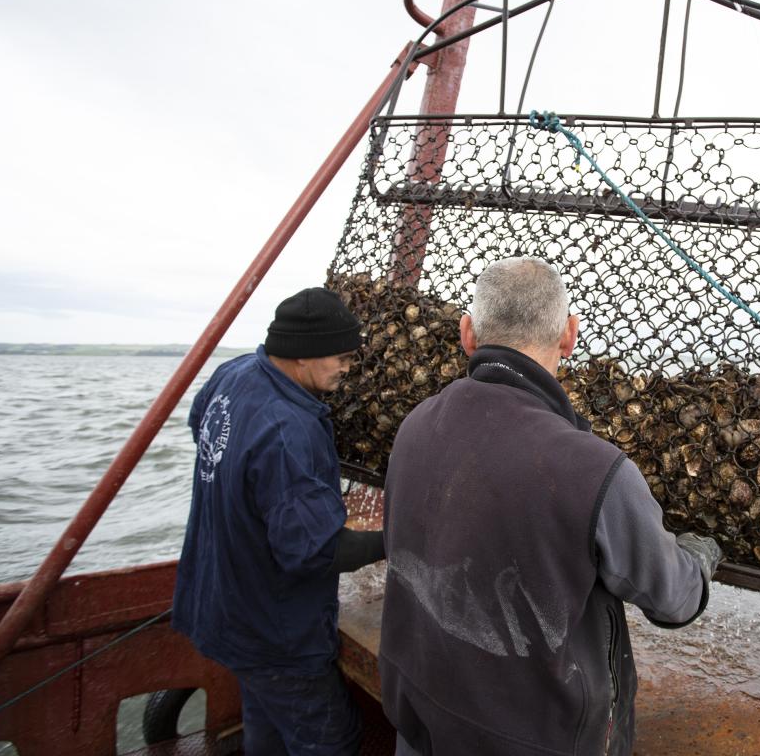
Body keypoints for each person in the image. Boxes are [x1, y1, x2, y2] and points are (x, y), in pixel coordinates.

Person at [379, 257, 722, 756]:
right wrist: (699, 556)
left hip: (418, 726)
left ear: (467, 334)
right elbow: (674, 599)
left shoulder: (414, 426)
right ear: (569, 335)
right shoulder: (596, 469)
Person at [173, 286, 385, 756]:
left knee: (266, 726)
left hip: (222, 601)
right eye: (342, 357)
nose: (349, 368)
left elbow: (199, 427)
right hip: (274, 630)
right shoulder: (289, 430)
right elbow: (318, 551)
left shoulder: (234, 374)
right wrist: (398, 538)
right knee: (331, 740)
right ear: (304, 354)